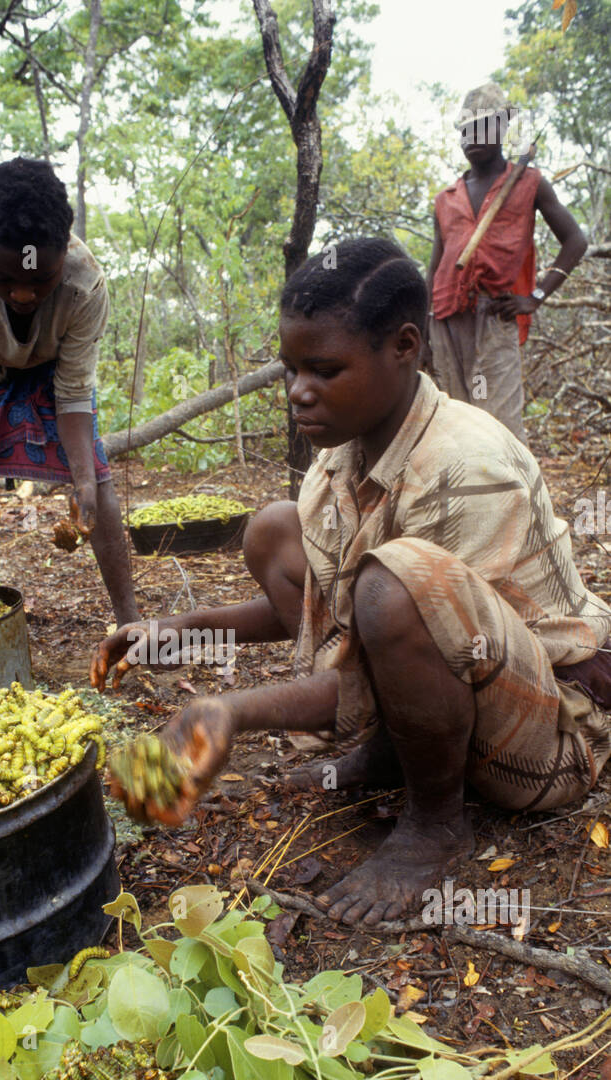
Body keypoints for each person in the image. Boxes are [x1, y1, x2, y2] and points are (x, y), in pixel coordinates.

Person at [91, 237, 611, 927]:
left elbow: (405, 624)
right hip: (454, 676)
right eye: (291, 369)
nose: (299, 391)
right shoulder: (344, 455)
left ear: (404, 347)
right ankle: (395, 750)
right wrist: (176, 632)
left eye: (325, 369)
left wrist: (233, 711)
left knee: (395, 582)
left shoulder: (467, 467)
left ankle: (435, 824)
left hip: (552, 729)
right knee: (273, 529)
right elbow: (320, 605)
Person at [0, 156, 139, 624]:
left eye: (41, 279)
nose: (23, 295)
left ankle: (130, 621)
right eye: (5, 279)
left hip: (50, 368)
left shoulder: (86, 285)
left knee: (99, 485)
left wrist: (82, 479)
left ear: (63, 253)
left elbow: (75, 393)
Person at [427, 81, 587, 443]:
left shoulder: (529, 183)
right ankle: (467, 500)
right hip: (444, 319)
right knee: (454, 424)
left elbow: (575, 240)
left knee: (499, 429)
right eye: (464, 130)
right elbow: (435, 268)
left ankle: (515, 499)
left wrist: (536, 296)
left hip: (495, 315)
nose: (470, 137)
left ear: (500, 128)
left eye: (480, 127)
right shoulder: (446, 198)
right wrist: (424, 325)